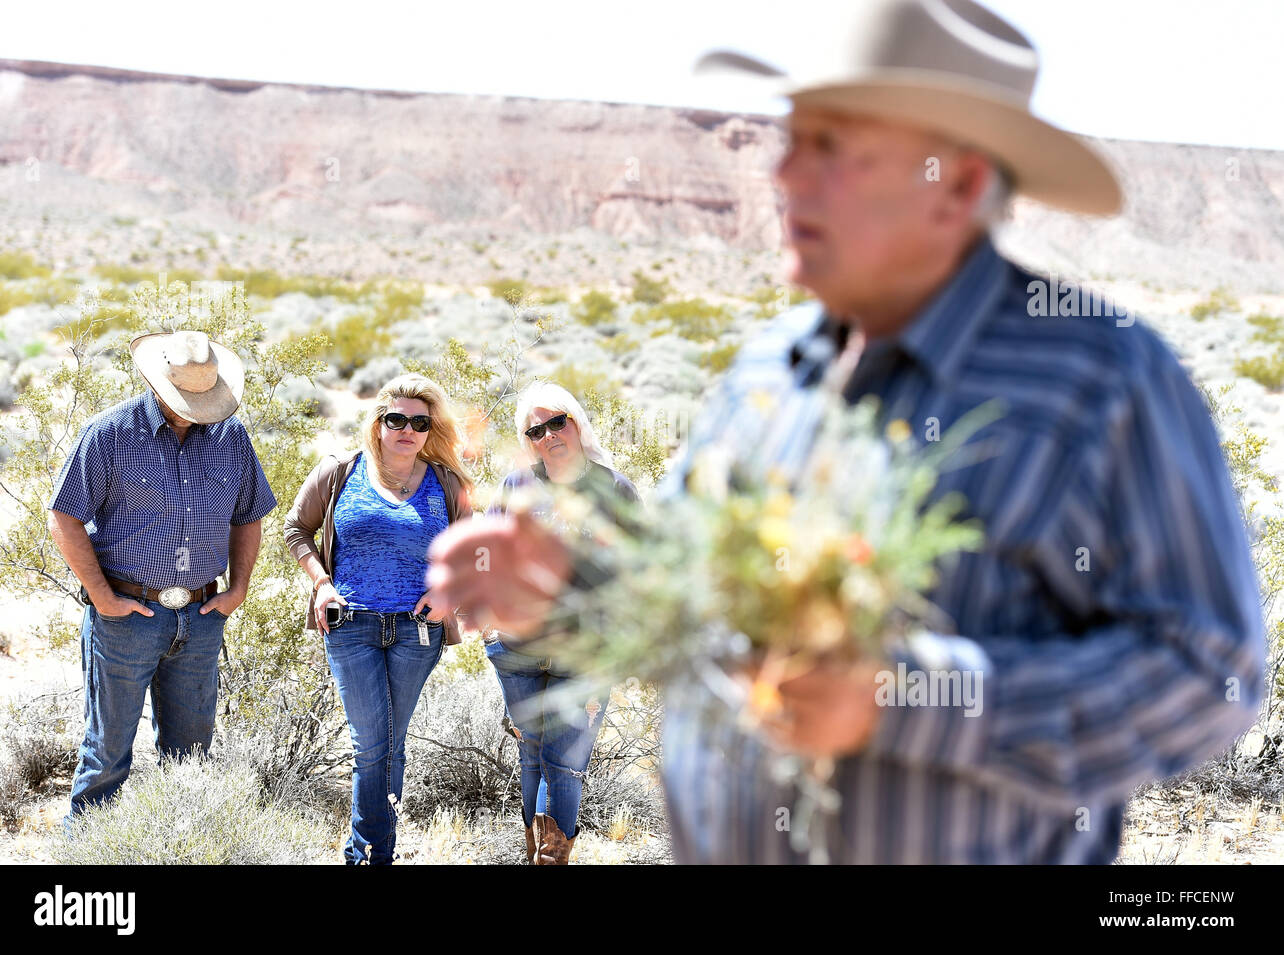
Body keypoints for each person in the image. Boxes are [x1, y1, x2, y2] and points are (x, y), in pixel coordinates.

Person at [422, 0, 1265, 863]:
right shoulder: (766, 373)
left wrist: (901, 698)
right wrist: (567, 584)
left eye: (830, 146)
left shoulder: (1102, 385)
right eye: (791, 140)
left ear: (961, 184)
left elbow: (1210, 676)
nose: (783, 174)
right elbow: (675, 590)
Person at [48, 330, 277, 824]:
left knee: (191, 757)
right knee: (106, 754)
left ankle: (180, 849)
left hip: (201, 615)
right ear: (157, 384)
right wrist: (103, 597)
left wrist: (238, 589)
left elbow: (249, 514)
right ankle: (85, 860)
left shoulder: (230, 437)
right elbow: (63, 517)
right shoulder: (109, 434)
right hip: (127, 616)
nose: (197, 408)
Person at [283, 373, 473, 865]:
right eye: (396, 419)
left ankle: (369, 854)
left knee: (391, 744)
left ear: (431, 429)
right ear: (378, 423)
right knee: (373, 745)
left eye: (419, 422)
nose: (406, 430)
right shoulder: (340, 471)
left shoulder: (446, 484)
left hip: (417, 630)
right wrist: (322, 584)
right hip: (351, 625)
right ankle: (367, 857)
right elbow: (297, 529)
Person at [484, 381, 641, 865]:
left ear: (577, 422)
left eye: (558, 422)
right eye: (535, 430)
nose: (548, 435)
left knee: (565, 764)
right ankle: (538, 855)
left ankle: (552, 858)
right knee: (531, 753)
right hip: (518, 647)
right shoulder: (517, 485)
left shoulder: (613, 488)